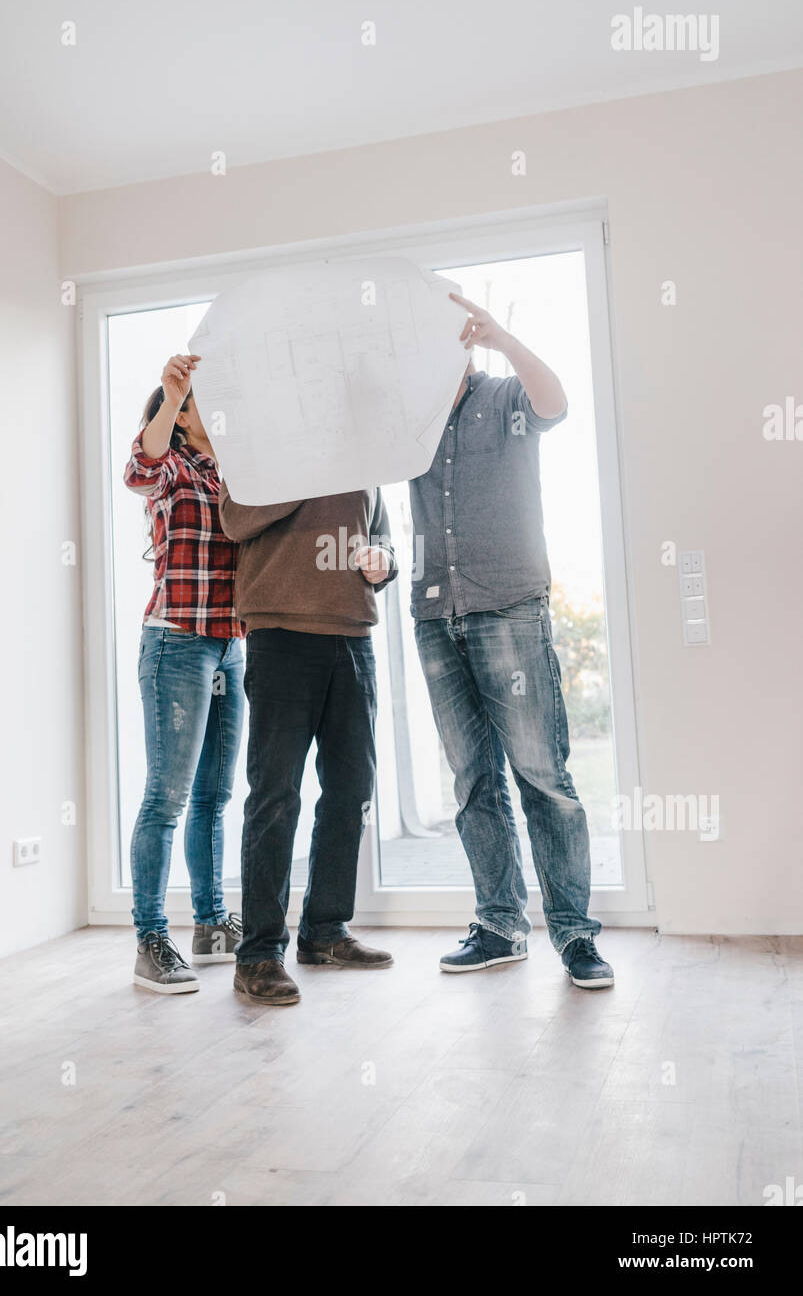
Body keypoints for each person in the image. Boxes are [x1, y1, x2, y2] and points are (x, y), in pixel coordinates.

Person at [409, 294, 614, 989]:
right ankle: (499, 926)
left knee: (542, 778)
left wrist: (505, 339)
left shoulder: (504, 398)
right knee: (472, 783)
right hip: (436, 614)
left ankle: (575, 938)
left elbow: (554, 404)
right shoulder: (407, 421)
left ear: (465, 344)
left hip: (508, 607)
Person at [218, 484, 397, 1005]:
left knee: (351, 790)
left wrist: (383, 560)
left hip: (353, 634)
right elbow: (235, 518)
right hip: (281, 634)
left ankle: (324, 932)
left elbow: (383, 536)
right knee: (275, 795)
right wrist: (305, 474)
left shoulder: (363, 459)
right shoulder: (266, 448)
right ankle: (258, 953)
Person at [124, 354, 245, 994]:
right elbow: (137, 469)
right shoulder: (173, 469)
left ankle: (212, 924)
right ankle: (150, 937)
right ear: (179, 423)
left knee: (213, 798)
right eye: (200, 404)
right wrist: (173, 395)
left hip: (231, 646)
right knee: (166, 797)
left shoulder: (236, 471)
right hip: (176, 642)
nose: (211, 411)